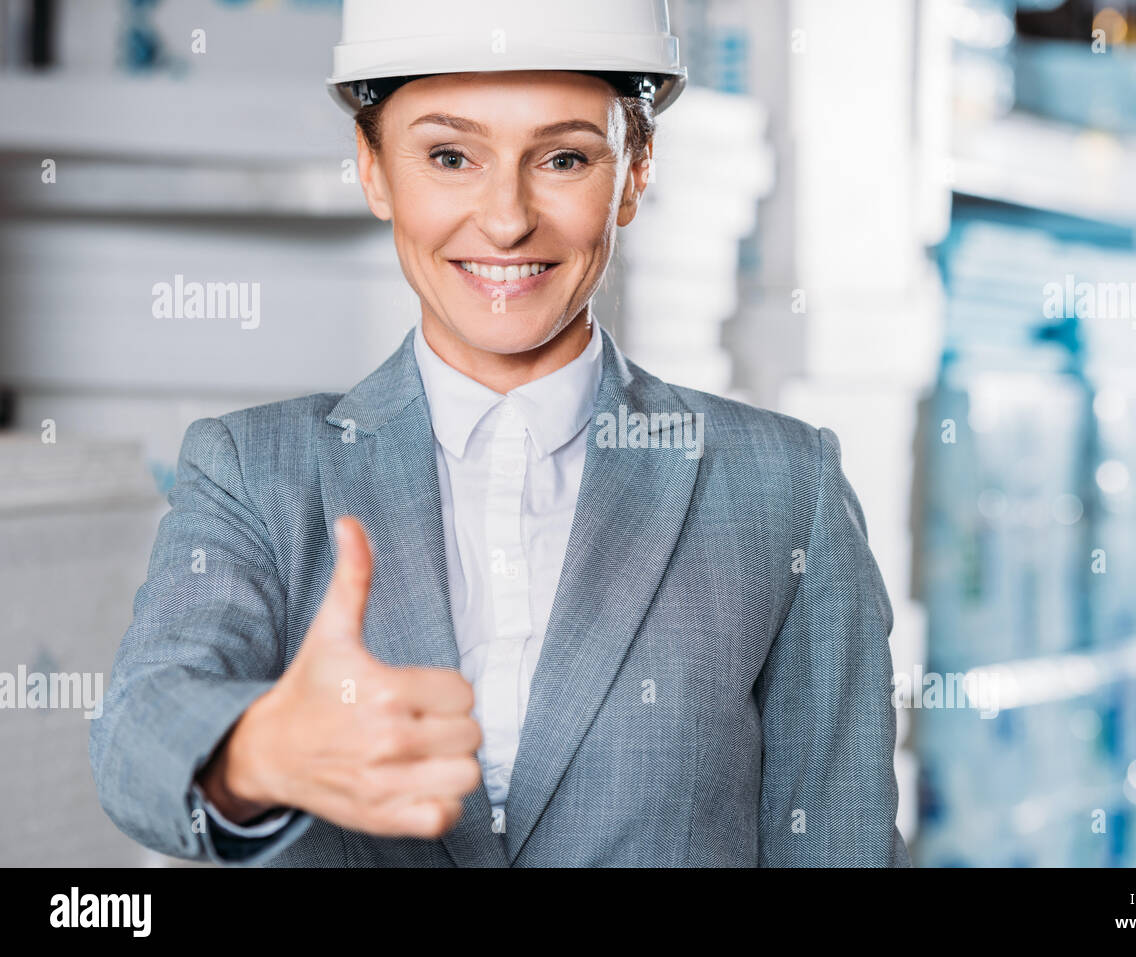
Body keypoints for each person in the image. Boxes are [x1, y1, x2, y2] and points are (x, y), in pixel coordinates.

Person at [89, 0, 910, 867]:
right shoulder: (256, 470)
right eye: (450, 156)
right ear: (373, 170)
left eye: (563, 157)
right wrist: (256, 752)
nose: (507, 218)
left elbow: (839, 843)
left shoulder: (784, 488)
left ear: (634, 173)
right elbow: (139, 730)